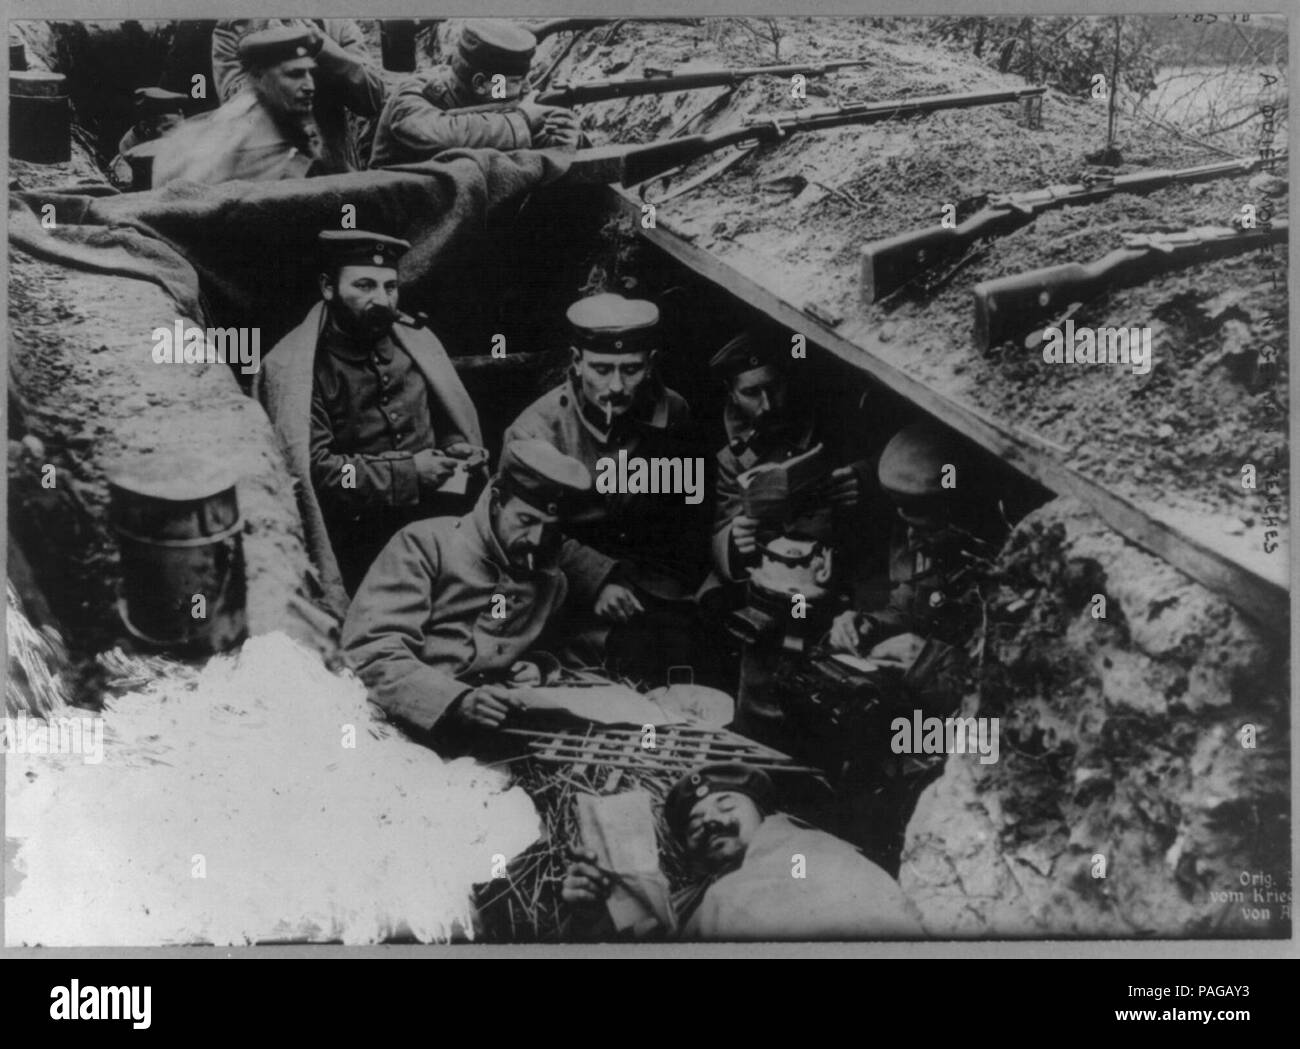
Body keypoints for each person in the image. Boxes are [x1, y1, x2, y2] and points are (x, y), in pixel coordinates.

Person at [254, 230, 486, 610]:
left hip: (432, 520)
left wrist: (453, 450)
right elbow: (320, 472)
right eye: (364, 285)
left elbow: (446, 423)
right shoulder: (296, 369)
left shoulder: (418, 345)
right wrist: (410, 473)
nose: (382, 300)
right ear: (329, 287)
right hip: (356, 542)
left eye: (390, 287)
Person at [342, 440, 603, 750]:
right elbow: (371, 652)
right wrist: (456, 701)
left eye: (549, 528)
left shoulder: (550, 581)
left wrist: (538, 667)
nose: (536, 539)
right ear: (496, 502)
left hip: (490, 738)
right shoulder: (426, 545)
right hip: (395, 728)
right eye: (526, 521)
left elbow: (552, 647)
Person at [502, 292, 709, 682]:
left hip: (651, 576)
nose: (616, 385)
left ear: (650, 366)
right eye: (601, 368)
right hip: (558, 578)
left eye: (630, 369)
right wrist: (595, 580)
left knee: (692, 651)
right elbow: (517, 531)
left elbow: (687, 504)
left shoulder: (673, 411)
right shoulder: (536, 432)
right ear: (576, 362)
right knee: (612, 663)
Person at [563, 763, 924, 939]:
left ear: (766, 816)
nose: (710, 822)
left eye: (726, 806)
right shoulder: (688, 902)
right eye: (694, 825)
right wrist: (593, 913)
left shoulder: (805, 849)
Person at [370, 19, 581, 167]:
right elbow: (446, 136)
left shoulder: (499, 97)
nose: (526, 89)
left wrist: (563, 138)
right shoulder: (413, 97)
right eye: (515, 81)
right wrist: (522, 120)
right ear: (480, 84)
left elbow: (525, 141)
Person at [154, 27, 342, 187]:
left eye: (310, 73)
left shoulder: (301, 134)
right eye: (295, 74)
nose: (310, 86)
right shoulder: (231, 147)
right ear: (258, 78)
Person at [211, 17, 385, 174]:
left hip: (334, 167)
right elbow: (234, 103)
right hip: (265, 169)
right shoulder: (233, 26)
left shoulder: (336, 23)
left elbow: (373, 97)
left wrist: (321, 46)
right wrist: (271, 49)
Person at [110, 88, 189, 188]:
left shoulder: (188, 136)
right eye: (166, 127)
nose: (166, 131)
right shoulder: (129, 143)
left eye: (169, 126)